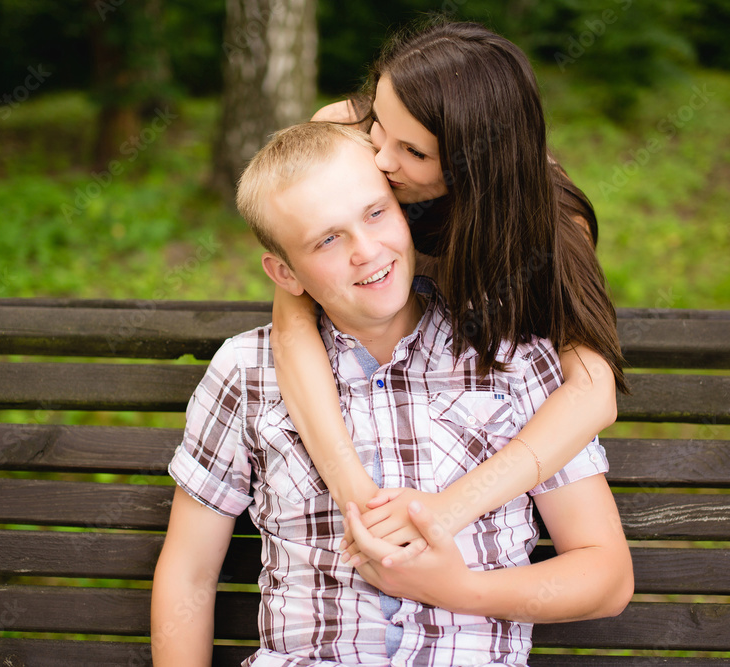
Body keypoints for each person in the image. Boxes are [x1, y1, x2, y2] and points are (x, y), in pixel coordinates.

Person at [151, 122, 633, 666]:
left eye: (376, 214)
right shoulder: (247, 371)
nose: (365, 250)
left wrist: (457, 590)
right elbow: (189, 570)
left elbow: (606, 576)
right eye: (328, 239)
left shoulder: (509, 356)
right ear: (285, 274)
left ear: (406, 209)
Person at [271, 19, 627, 566]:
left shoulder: (552, 230)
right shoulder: (344, 129)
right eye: (380, 128)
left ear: (474, 167)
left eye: (413, 152)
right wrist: (353, 492)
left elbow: (593, 390)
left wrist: (446, 509)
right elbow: (293, 321)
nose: (381, 160)